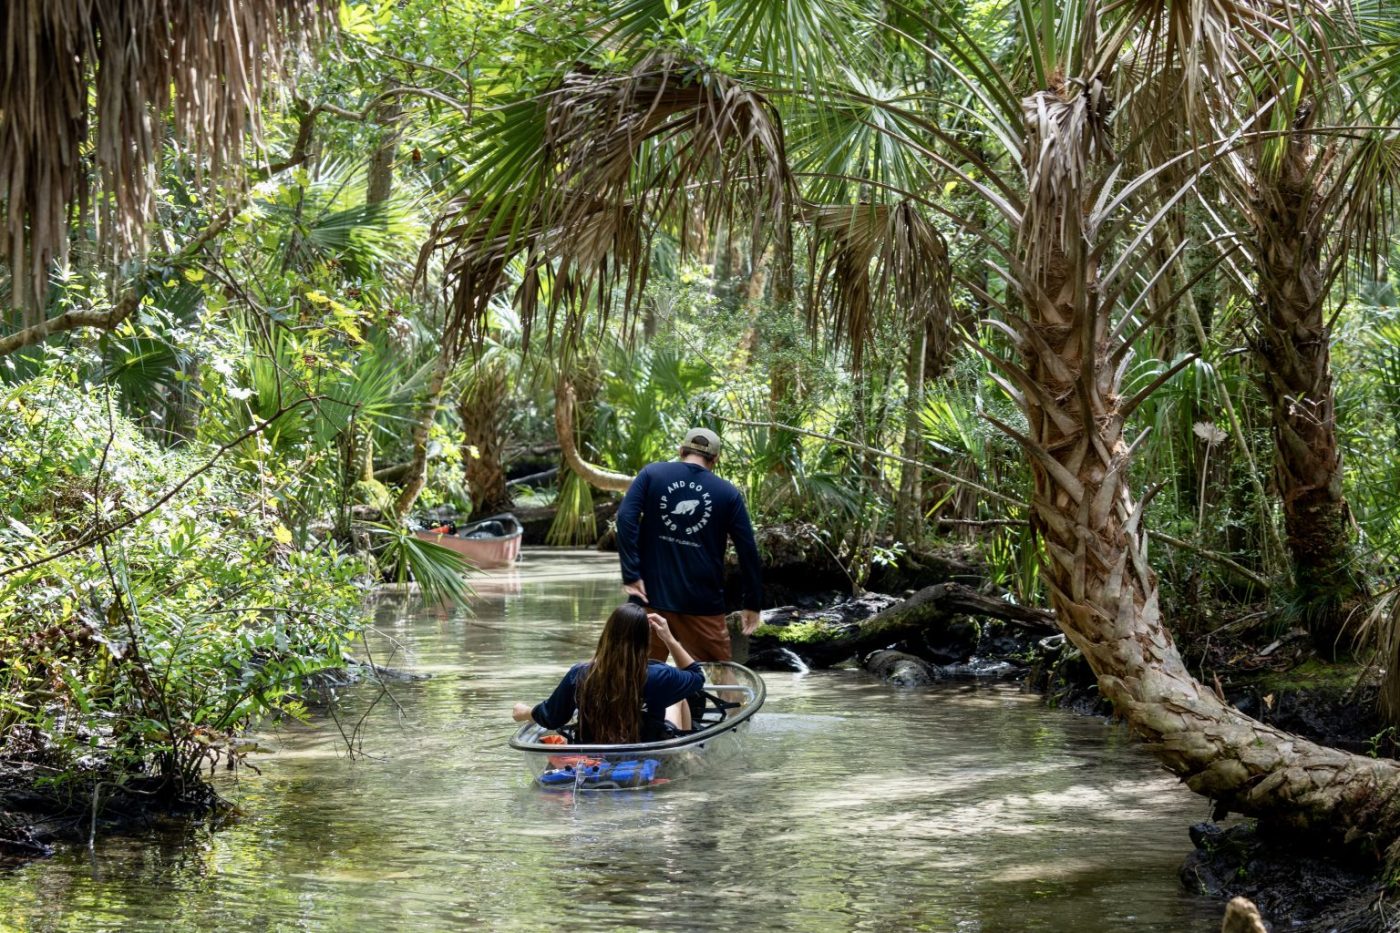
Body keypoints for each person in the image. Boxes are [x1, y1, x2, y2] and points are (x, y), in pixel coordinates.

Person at [615, 427, 763, 664]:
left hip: (649, 596)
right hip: (702, 603)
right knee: (722, 673)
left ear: (681, 450)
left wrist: (631, 573)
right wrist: (753, 603)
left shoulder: (652, 474)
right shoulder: (727, 493)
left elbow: (625, 518)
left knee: (638, 672)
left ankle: (646, 702)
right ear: (715, 459)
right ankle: (730, 701)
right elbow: (747, 549)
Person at [511, 603, 704, 743]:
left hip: (593, 753)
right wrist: (668, 637)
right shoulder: (660, 676)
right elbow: (697, 676)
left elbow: (552, 717)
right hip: (646, 749)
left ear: (607, 635)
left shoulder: (580, 675)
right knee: (678, 698)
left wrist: (525, 712)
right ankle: (685, 754)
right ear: (645, 641)